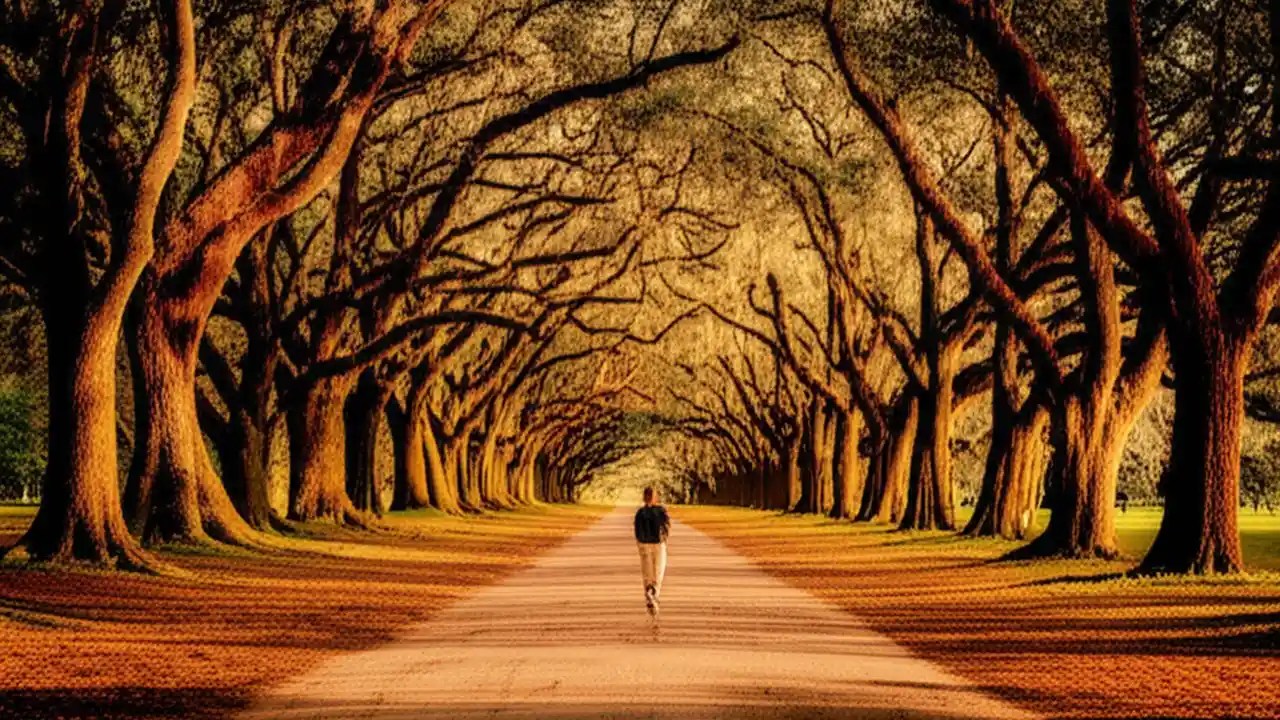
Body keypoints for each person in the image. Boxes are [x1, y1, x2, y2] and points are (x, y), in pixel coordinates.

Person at [634, 486, 670, 617]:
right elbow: (666, 528)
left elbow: (637, 532)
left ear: (644, 497)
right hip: (658, 545)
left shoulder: (640, 513)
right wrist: (664, 540)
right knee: (658, 572)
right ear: (656, 497)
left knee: (647, 572)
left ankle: (649, 593)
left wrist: (640, 544)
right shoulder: (662, 511)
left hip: (644, 544)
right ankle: (654, 594)